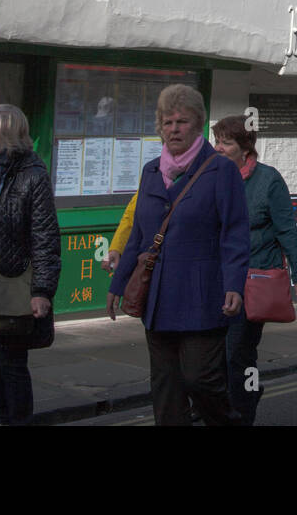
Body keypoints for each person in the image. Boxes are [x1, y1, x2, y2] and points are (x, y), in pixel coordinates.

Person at [107, 85, 248, 426]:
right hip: (158, 298)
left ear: (197, 124)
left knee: (201, 378)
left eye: (182, 121)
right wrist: (118, 284)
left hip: (203, 295)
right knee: (166, 387)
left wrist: (235, 284)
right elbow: (140, 234)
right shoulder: (151, 172)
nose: (173, 129)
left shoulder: (221, 170)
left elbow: (235, 232)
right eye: (167, 122)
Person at [211, 114, 297, 426]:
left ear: (245, 147)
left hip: (252, 282)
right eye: (216, 141)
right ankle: (220, 404)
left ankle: (243, 407)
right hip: (214, 279)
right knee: (211, 354)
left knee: (238, 354)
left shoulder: (268, 180)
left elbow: (287, 229)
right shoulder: (211, 175)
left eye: (225, 142)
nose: (218, 148)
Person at [0, 104, 60, 425]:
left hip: (12, 278)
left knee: (12, 361)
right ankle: (6, 414)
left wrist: (42, 291)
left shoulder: (32, 175)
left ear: (5, 134)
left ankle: (15, 420)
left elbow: (45, 237)